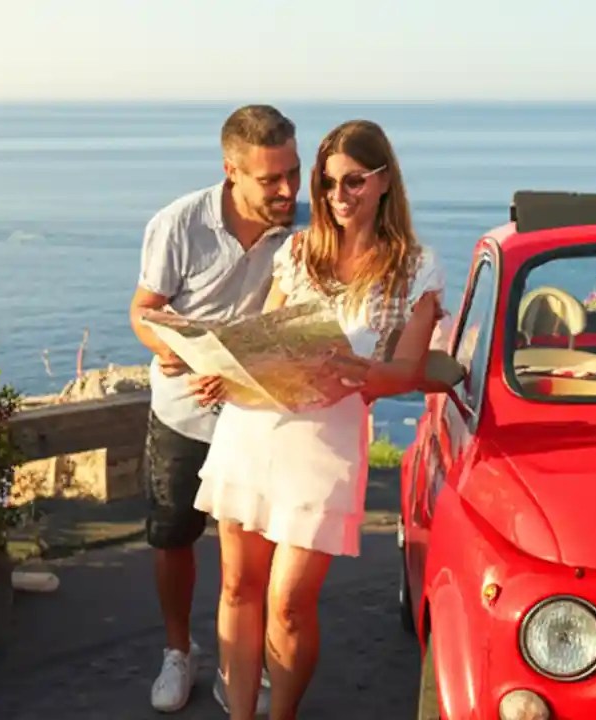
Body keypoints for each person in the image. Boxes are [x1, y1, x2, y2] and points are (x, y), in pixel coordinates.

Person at [192, 119, 446, 720]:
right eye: (327, 183)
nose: (338, 197)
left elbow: (408, 372)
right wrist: (223, 373)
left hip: (327, 446)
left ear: (385, 182)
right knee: (236, 587)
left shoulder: (416, 269)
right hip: (255, 431)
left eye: (353, 181)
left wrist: (357, 369)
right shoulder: (299, 250)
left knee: (288, 602)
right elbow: (264, 338)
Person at [129, 104, 302, 714]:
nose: (287, 191)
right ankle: (179, 651)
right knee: (173, 536)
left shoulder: (305, 229)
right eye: (270, 179)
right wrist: (182, 352)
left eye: (293, 173)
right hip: (183, 410)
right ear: (231, 170)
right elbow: (143, 312)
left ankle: (246, 664)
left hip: (257, 417)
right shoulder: (179, 224)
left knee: (257, 551)